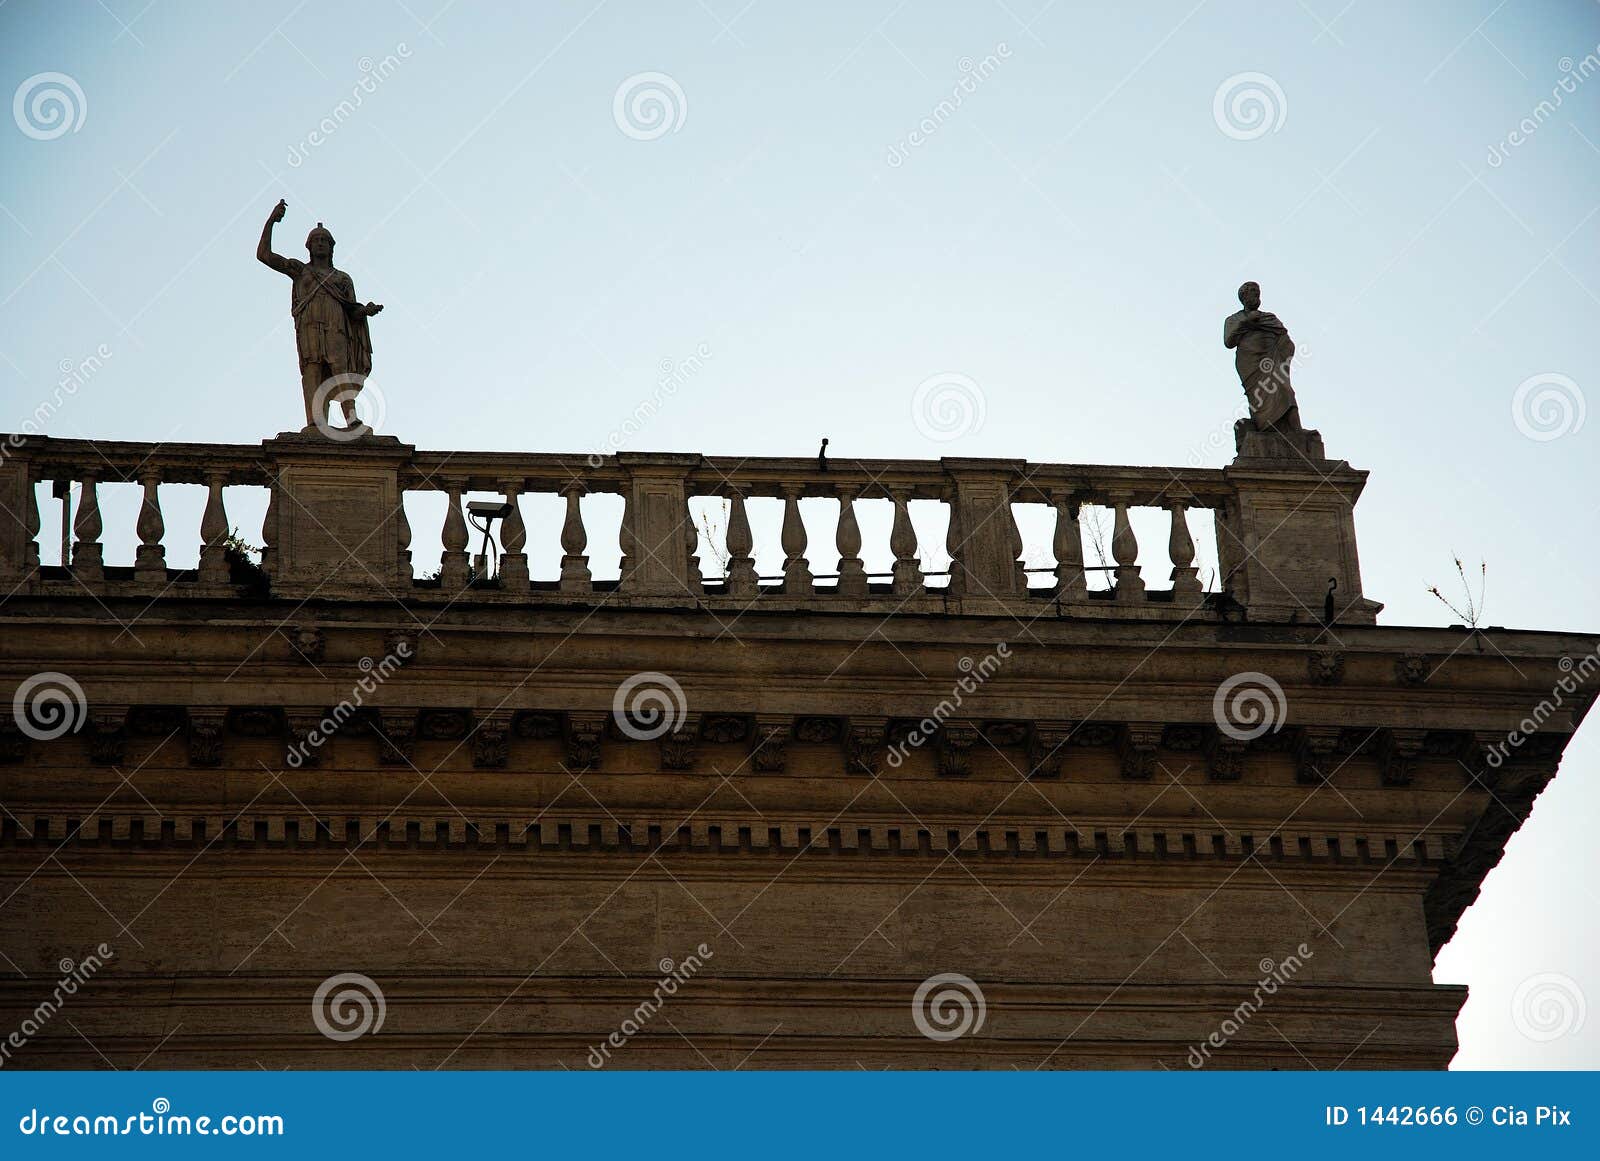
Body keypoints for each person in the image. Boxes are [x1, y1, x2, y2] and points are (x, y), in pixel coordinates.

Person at [256, 199, 383, 432]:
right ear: (309, 246)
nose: (321, 244)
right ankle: (316, 422)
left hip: (337, 327)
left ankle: (351, 418)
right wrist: (271, 221)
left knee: (341, 371)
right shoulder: (300, 270)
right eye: (316, 241)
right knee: (312, 370)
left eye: (325, 241)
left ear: (332, 246)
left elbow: (352, 308)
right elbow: (264, 255)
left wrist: (366, 310)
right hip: (310, 328)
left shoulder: (342, 278)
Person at [1223, 281, 1300, 433]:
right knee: (1258, 395)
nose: (1256, 294)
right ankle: (1263, 427)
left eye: (1257, 291)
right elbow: (1229, 341)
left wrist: (1283, 353)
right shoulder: (1233, 319)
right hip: (1249, 362)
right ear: (1243, 297)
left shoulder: (1269, 318)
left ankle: (1295, 430)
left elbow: (1285, 339)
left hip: (1273, 359)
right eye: (1252, 291)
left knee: (1285, 390)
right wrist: (1246, 322)